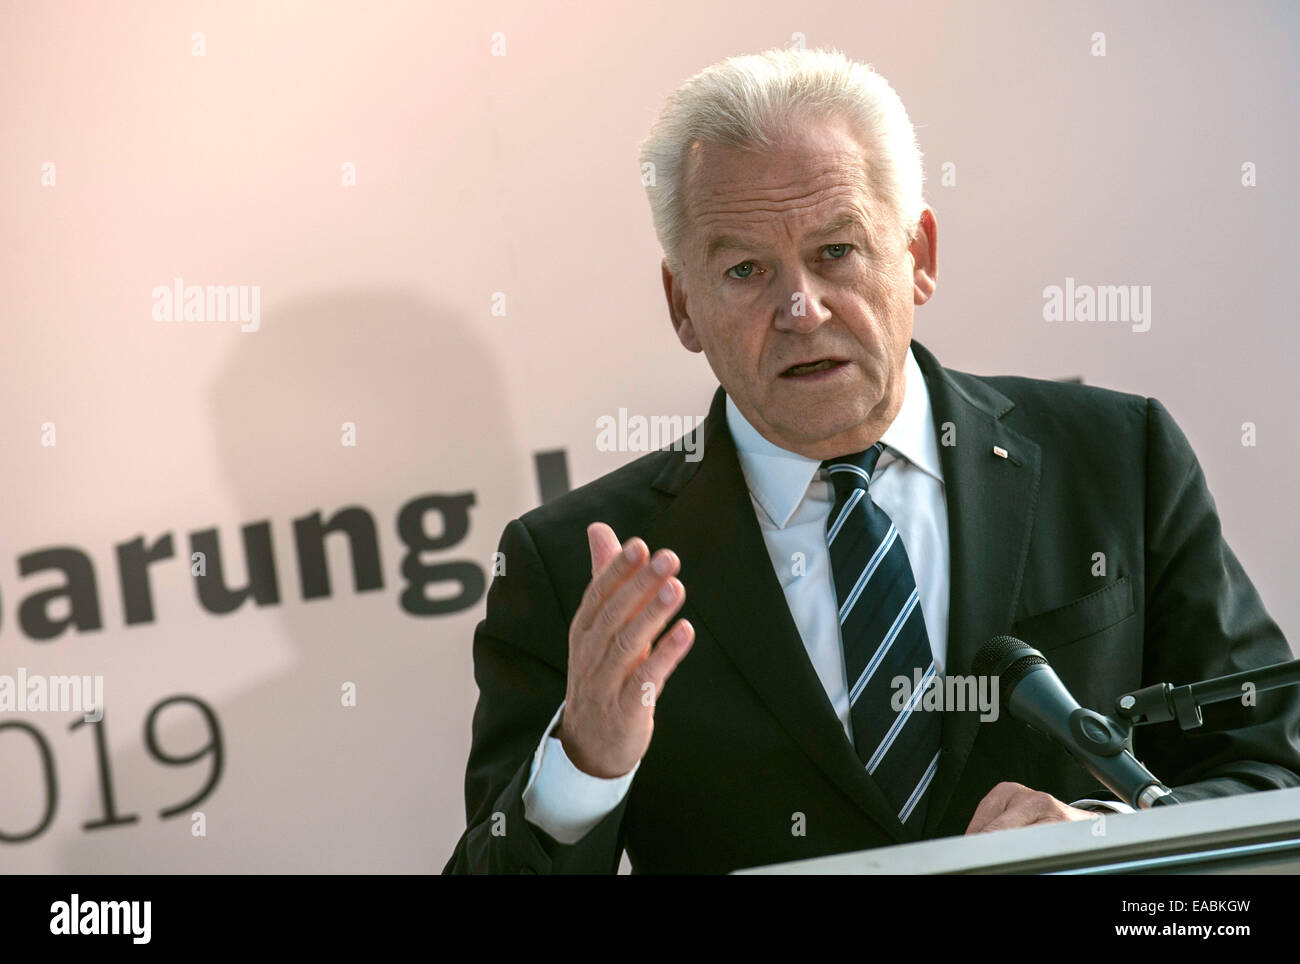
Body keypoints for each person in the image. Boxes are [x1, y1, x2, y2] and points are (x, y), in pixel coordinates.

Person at [443, 47, 1300, 874]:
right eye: (745, 269)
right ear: (683, 306)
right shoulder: (576, 573)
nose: (800, 308)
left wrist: (1104, 841)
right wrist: (582, 768)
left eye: (835, 252)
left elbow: (1275, 774)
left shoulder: (1116, 457)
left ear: (918, 256)